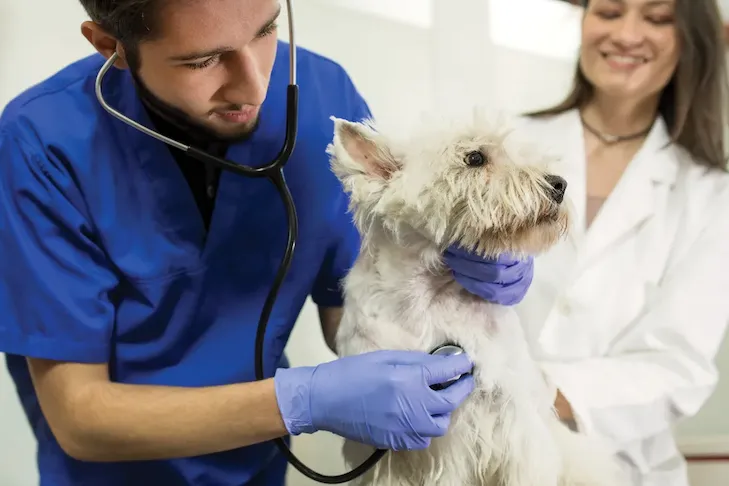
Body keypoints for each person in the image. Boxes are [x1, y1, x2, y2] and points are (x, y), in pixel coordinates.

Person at [0, 1, 535, 485]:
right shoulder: (42, 142)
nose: (254, 84)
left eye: (266, 30)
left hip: (256, 470)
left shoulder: (325, 95)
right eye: (201, 61)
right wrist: (302, 400)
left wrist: (449, 275)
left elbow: (359, 315)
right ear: (109, 47)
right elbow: (80, 416)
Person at [508, 0, 729, 485]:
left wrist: (530, 388)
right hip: (485, 453)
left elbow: (679, 365)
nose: (627, 35)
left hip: (623, 469)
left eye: (656, 18)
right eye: (609, 12)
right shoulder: (509, 145)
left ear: (692, 39)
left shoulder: (710, 193)